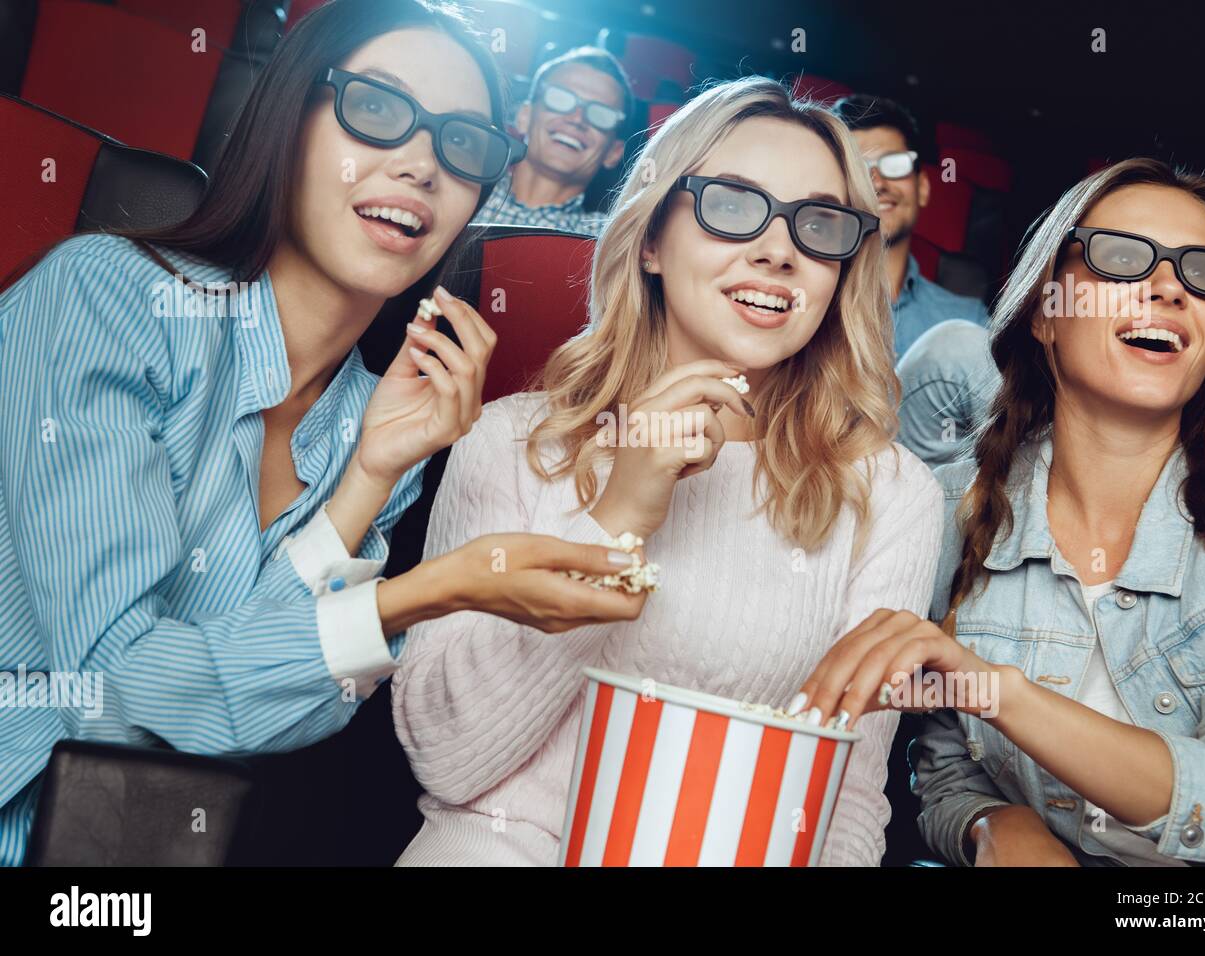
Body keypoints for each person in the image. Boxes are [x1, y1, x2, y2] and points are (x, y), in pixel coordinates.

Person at [0, 0, 645, 868]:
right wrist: (425, 591)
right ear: (290, 121)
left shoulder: (383, 428)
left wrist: (370, 478)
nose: (421, 164)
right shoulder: (106, 298)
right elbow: (124, 687)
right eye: (376, 110)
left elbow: (232, 715)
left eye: (462, 144)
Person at [391, 77, 944, 867]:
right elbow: (449, 758)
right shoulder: (512, 441)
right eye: (731, 204)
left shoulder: (891, 495)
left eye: (819, 223)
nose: (779, 251)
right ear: (651, 239)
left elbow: (845, 806)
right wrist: (618, 521)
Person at [789, 158, 1205, 866]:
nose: (1169, 289)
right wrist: (989, 822)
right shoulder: (938, 509)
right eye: (1122, 258)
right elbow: (941, 760)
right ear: (1044, 314)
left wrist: (999, 691)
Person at [831, 93, 988, 361]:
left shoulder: (967, 319)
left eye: (895, 165)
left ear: (923, 188)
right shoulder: (810, 302)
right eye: (859, 168)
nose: (877, 182)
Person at [475, 46, 632, 235]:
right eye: (560, 99)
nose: (577, 119)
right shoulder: (465, 192)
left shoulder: (608, 242)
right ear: (524, 117)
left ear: (613, 153)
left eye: (601, 115)